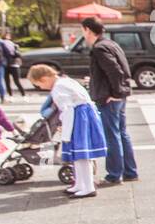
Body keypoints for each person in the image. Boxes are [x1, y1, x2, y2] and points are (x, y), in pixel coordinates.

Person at [28, 63, 106, 198]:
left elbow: (67, 109)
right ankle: (81, 184)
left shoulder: (58, 88)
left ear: (44, 79)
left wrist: (65, 131)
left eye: (38, 85)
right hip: (83, 115)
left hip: (78, 117)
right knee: (79, 155)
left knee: (81, 155)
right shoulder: (65, 81)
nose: (40, 88)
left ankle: (87, 187)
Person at [83, 17, 138, 185]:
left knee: (112, 135)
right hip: (117, 96)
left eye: (83, 30)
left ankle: (114, 175)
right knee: (121, 133)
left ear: (88, 30)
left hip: (110, 98)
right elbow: (118, 70)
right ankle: (130, 172)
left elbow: (115, 71)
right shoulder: (111, 44)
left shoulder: (99, 48)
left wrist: (115, 92)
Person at [0, 33, 24, 98]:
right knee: (8, 81)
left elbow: (16, 54)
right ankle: (10, 96)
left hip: (10, 64)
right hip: (6, 64)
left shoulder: (10, 44)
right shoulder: (2, 43)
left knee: (14, 81)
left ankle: (22, 95)